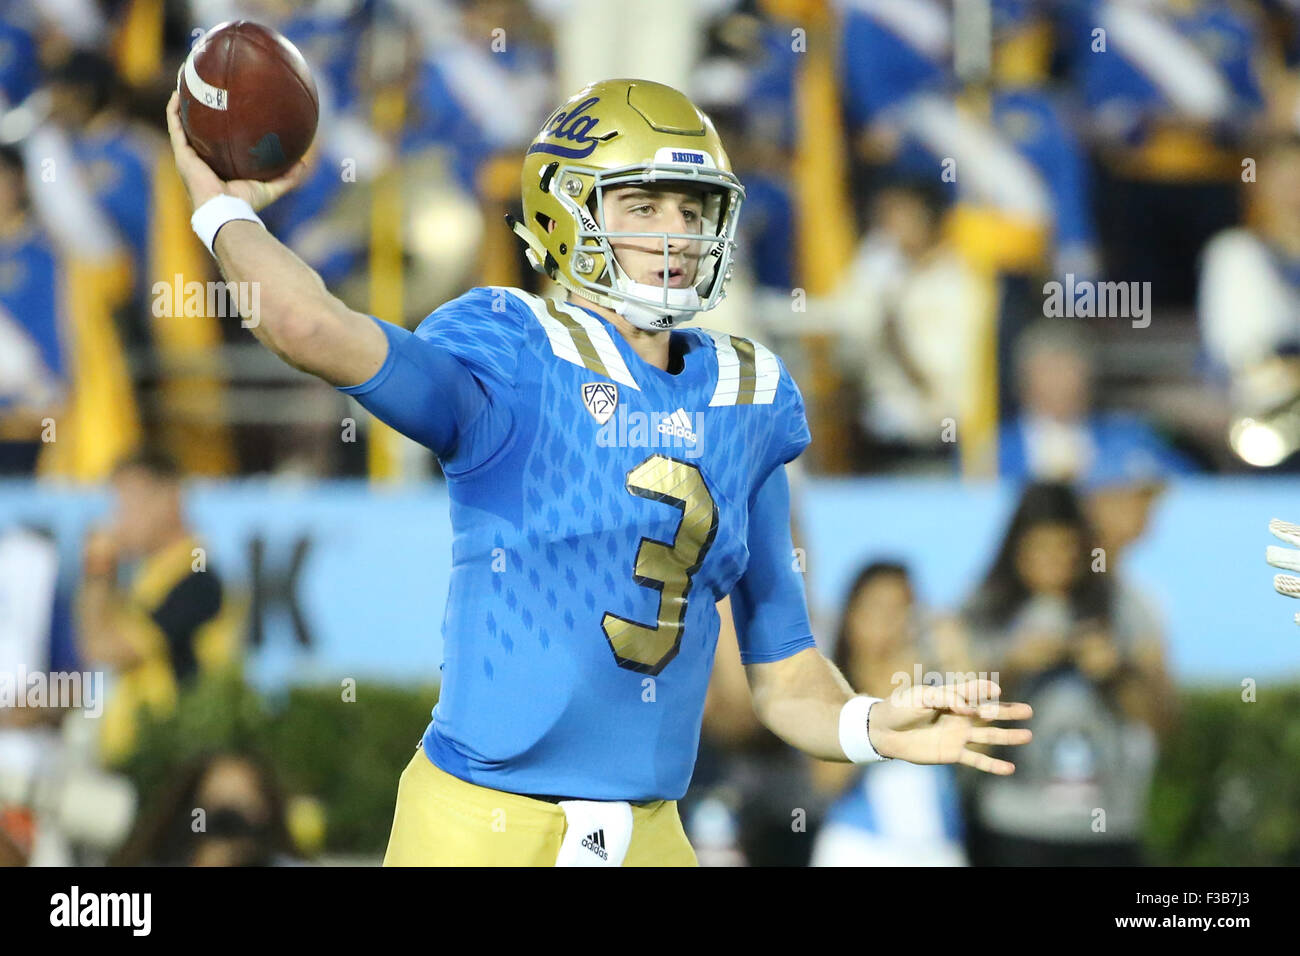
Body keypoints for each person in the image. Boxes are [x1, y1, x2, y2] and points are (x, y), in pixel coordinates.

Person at [164, 76, 1032, 867]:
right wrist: (219, 210)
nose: (675, 235)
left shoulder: (749, 397)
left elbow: (784, 670)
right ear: (563, 213)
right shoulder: (512, 350)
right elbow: (309, 328)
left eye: (692, 211)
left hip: (652, 831)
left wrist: (873, 723)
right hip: (481, 826)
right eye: (644, 205)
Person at [958, 482, 1156, 866]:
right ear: (1016, 550)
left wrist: (1117, 672)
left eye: (1066, 549)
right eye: (1041, 549)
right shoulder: (984, 611)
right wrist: (1010, 667)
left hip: (1107, 828)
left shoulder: (1121, 606)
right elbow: (953, 719)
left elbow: (1163, 719)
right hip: (1013, 825)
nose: (1055, 563)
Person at [77, 450, 233, 766]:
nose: (117, 520)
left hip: (174, 757)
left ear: (170, 500)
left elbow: (104, 648)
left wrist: (97, 569)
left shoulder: (196, 580)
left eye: (129, 505)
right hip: (139, 755)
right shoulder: (148, 580)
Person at [810, 562, 967, 867]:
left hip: (939, 849)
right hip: (859, 848)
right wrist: (882, 695)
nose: (891, 623)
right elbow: (827, 779)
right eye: (878, 609)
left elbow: (978, 750)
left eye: (904, 609)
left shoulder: (931, 687)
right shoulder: (830, 689)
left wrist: (959, 662)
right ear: (851, 617)